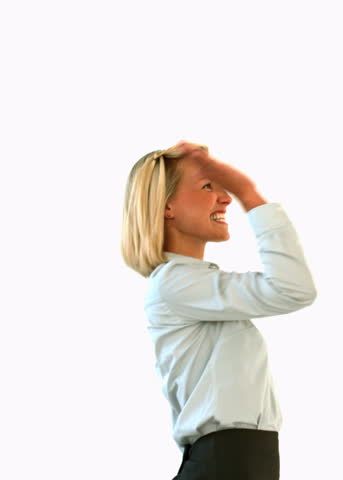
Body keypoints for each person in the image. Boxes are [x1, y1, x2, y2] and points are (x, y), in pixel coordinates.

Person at [121, 141, 316, 479]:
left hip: (242, 463)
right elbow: (293, 289)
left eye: (225, 188)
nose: (225, 197)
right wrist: (249, 194)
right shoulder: (174, 284)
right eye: (208, 185)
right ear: (167, 207)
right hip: (225, 465)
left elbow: (292, 289)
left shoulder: (196, 286)